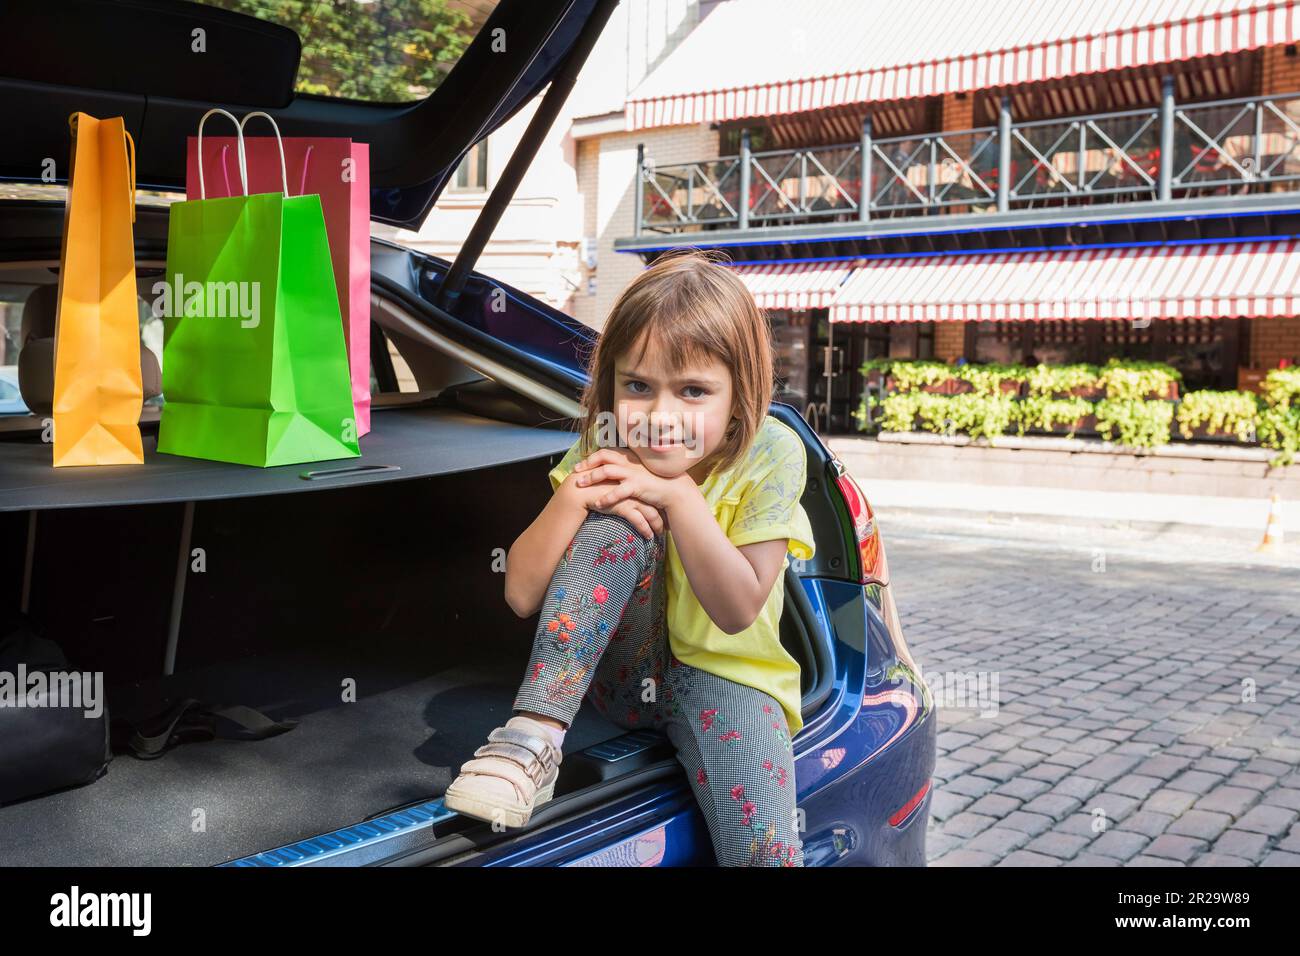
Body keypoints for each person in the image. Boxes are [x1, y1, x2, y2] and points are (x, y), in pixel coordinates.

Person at [442, 248, 816, 866]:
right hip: (619, 680)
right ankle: (531, 741)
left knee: (766, 855)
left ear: (740, 394)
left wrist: (674, 494)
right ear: (611, 381)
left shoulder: (772, 451)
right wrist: (574, 499)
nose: (661, 416)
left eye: (694, 390)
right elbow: (519, 593)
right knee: (615, 514)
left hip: (731, 684)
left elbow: (737, 609)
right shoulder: (608, 439)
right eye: (638, 386)